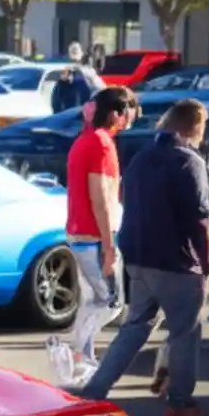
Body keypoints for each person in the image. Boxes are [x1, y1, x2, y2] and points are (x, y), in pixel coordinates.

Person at [80, 99, 209, 416]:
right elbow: (200, 218)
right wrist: (206, 262)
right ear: (194, 126)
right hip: (177, 262)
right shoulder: (189, 163)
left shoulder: (141, 158)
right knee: (184, 332)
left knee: (134, 328)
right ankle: (181, 402)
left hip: (139, 257)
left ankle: (94, 392)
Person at [46, 87, 137, 385]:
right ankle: (76, 351)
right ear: (116, 114)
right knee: (110, 302)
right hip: (94, 237)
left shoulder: (85, 141)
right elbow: (102, 197)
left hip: (80, 233)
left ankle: (83, 359)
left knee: (92, 300)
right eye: (130, 110)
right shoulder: (101, 145)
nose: (132, 117)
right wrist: (109, 246)